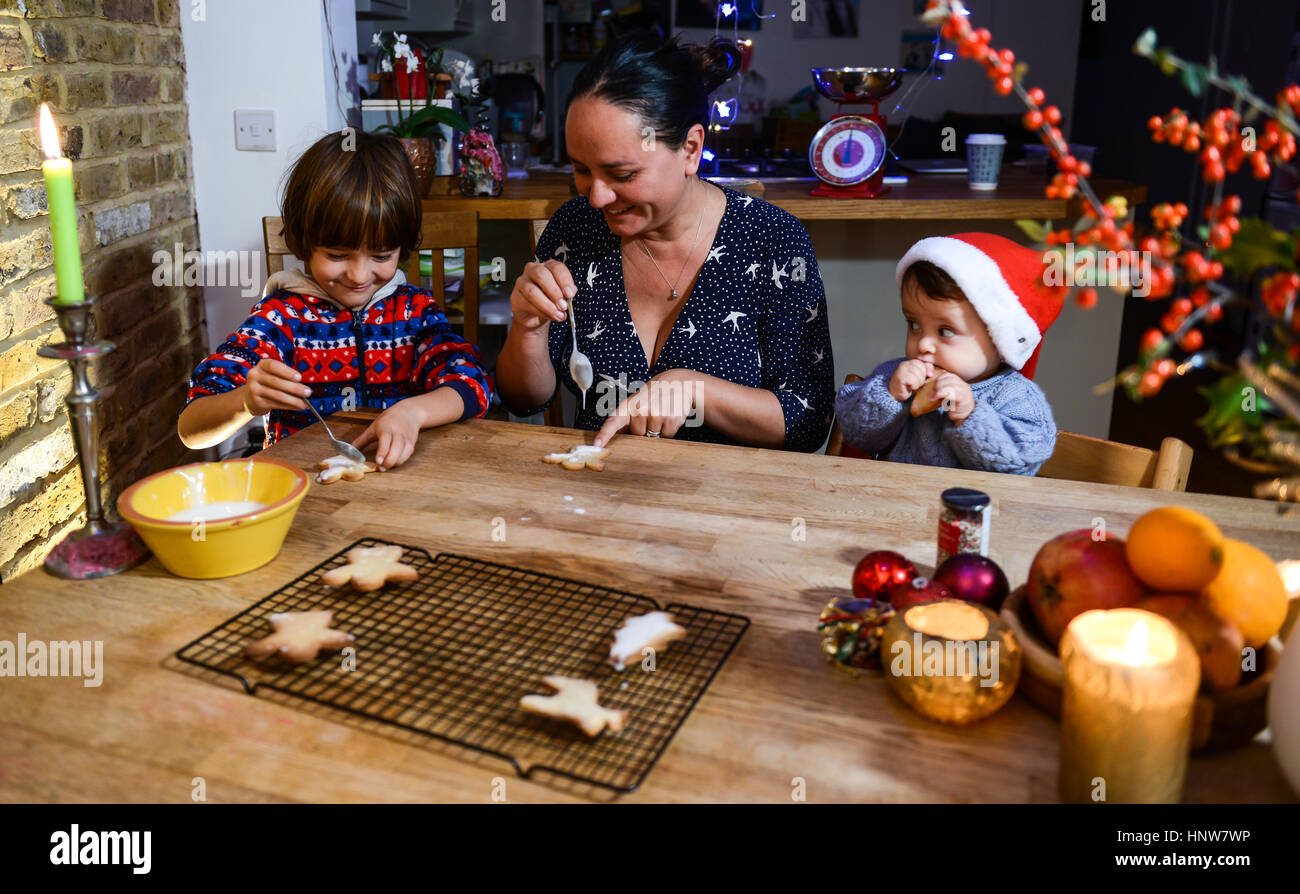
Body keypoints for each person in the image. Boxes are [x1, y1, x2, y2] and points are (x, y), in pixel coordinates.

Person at [494, 32, 834, 451]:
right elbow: (524, 399)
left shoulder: (772, 240)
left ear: (690, 149)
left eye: (622, 175)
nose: (597, 197)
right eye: (581, 169)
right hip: (599, 493)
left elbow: (807, 422)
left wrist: (694, 388)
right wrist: (528, 326)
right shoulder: (576, 229)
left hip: (733, 503)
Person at [177, 130, 494, 470]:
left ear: (402, 248)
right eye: (337, 254)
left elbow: (474, 385)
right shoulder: (279, 319)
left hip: (400, 489)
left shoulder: (414, 312)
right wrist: (245, 401)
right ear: (305, 243)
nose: (358, 275)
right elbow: (191, 429)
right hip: (302, 493)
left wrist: (410, 413)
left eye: (381, 255)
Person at [834, 233, 1062, 475]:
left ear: (998, 338)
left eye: (945, 330)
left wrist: (969, 416)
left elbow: (1019, 466)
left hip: (975, 511)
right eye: (913, 324)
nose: (923, 344)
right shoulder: (894, 378)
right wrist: (889, 396)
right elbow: (856, 436)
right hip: (896, 502)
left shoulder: (1017, 398)